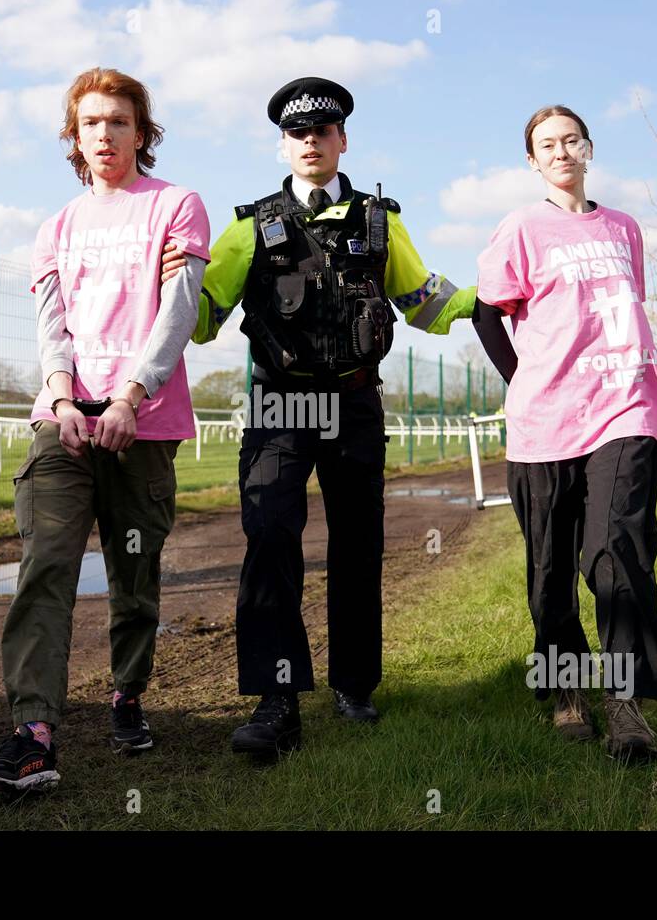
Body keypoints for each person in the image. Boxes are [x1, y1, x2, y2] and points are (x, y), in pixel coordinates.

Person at [176, 76, 475, 758]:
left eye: (323, 130)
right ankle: (277, 697)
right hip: (281, 402)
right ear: (283, 143)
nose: (310, 141)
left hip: (354, 400)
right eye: (297, 132)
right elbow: (201, 321)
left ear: (342, 139)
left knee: (358, 542)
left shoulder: (380, 220)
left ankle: (354, 685)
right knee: (270, 533)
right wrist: (167, 283)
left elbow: (423, 302)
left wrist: (491, 301)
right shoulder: (247, 227)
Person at [0, 67, 210, 793]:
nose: (105, 134)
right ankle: (33, 734)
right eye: (91, 123)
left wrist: (131, 398)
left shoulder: (176, 206)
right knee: (46, 565)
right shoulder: (55, 229)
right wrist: (64, 399)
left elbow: (179, 310)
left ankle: (127, 693)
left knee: (135, 577)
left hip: (145, 420)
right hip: (64, 421)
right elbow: (52, 328)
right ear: (74, 137)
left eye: (119, 121)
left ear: (143, 132)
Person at [473, 105, 657, 761]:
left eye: (571, 140)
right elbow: (486, 316)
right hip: (546, 421)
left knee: (615, 552)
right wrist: (523, 378)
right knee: (549, 573)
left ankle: (625, 703)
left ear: (588, 150)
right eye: (546, 144)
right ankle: (567, 688)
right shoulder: (520, 229)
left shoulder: (624, 228)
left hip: (625, 404)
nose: (561, 151)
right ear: (531, 161)